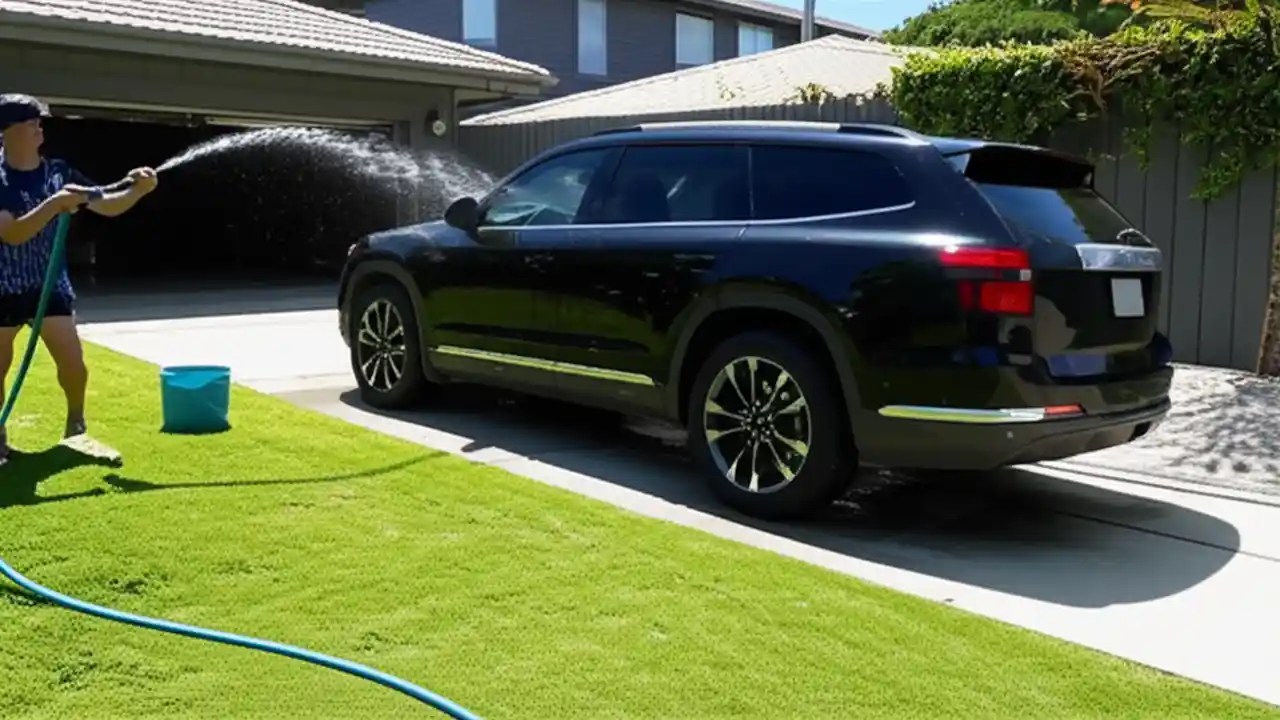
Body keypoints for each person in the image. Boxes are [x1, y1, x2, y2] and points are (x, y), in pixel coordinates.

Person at [0, 93, 159, 465]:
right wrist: (55, 204)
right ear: (6, 131)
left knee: (74, 365)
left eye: (39, 122)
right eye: (30, 122)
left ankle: (76, 428)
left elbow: (106, 204)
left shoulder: (58, 172)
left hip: (49, 284)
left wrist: (137, 190)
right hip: (4, 284)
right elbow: (12, 233)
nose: (39, 127)